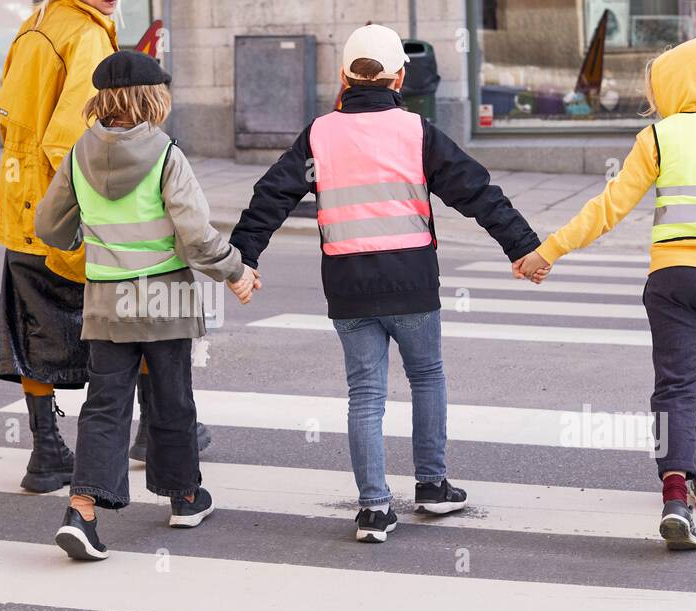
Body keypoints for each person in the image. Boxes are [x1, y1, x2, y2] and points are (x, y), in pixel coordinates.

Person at [229, 24, 543, 544]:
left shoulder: (319, 134)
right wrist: (523, 248)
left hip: (348, 287)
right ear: (401, 76)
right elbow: (476, 191)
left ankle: (374, 509)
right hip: (413, 281)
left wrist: (242, 262)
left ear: (344, 76)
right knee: (427, 378)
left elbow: (272, 196)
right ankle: (431, 485)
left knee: (365, 395)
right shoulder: (417, 133)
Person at [516, 34, 696, 550]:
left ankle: (674, 489)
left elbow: (609, 208)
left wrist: (548, 251)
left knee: (674, 384)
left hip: (672, 280)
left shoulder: (658, 138)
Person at [35, 50, 259, 561]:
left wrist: (87, 235)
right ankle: (183, 497)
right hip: (165, 298)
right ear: (154, 98)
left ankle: (82, 512)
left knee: (104, 405)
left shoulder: (78, 155)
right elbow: (198, 238)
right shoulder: (166, 156)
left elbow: (50, 228)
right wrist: (236, 272)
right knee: (171, 398)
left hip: (107, 300)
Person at [0, 0, 119, 493]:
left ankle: (45, 448)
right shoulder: (84, 36)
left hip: (21, 206)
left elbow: (9, 122)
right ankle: (156, 431)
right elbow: (73, 139)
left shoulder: (33, 26)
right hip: (61, 211)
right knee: (134, 312)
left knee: (28, 328)